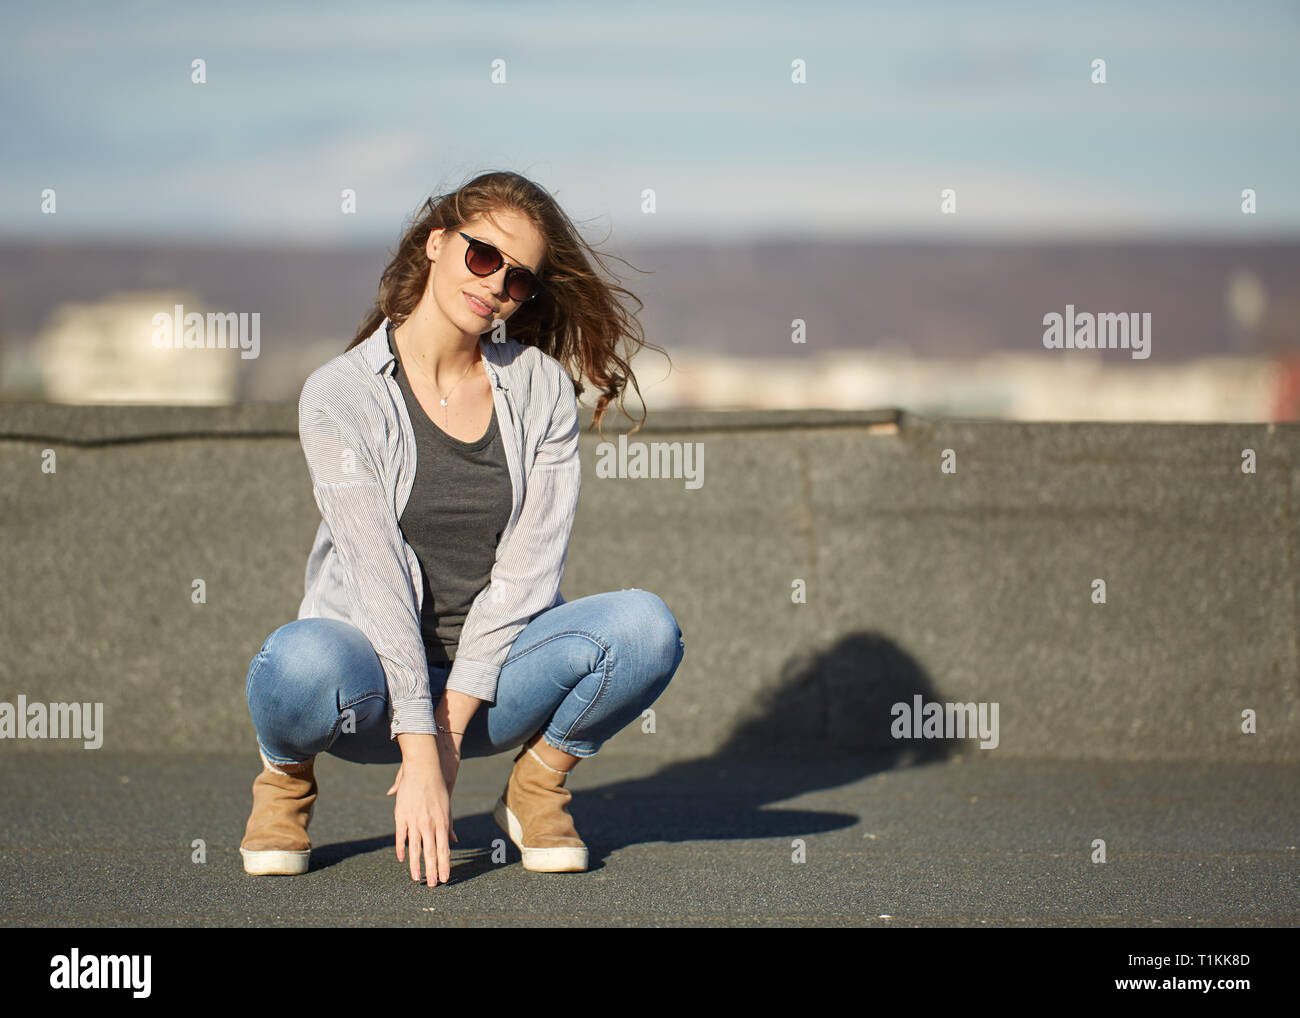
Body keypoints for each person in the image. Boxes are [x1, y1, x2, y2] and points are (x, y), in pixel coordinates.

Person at [239, 170, 685, 884]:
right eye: (483, 257)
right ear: (436, 242)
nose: (495, 286)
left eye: (518, 280)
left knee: (645, 629)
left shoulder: (538, 386)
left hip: (493, 687)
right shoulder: (341, 393)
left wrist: (450, 729)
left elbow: (530, 569)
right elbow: (375, 572)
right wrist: (420, 744)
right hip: (373, 692)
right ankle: (286, 783)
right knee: (295, 664)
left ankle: (537, 786)